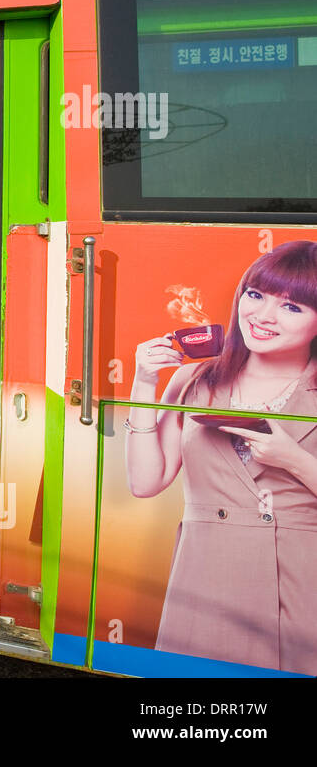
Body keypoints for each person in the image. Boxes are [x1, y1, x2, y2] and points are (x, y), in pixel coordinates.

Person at [127, 241, 317, 675]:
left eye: (292, 307)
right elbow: (145, 482)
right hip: (206, 572)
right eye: (256, 295)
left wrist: (294, 459)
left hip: (305, 577)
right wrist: (143, 384)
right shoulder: (196, 378)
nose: (264, 316)